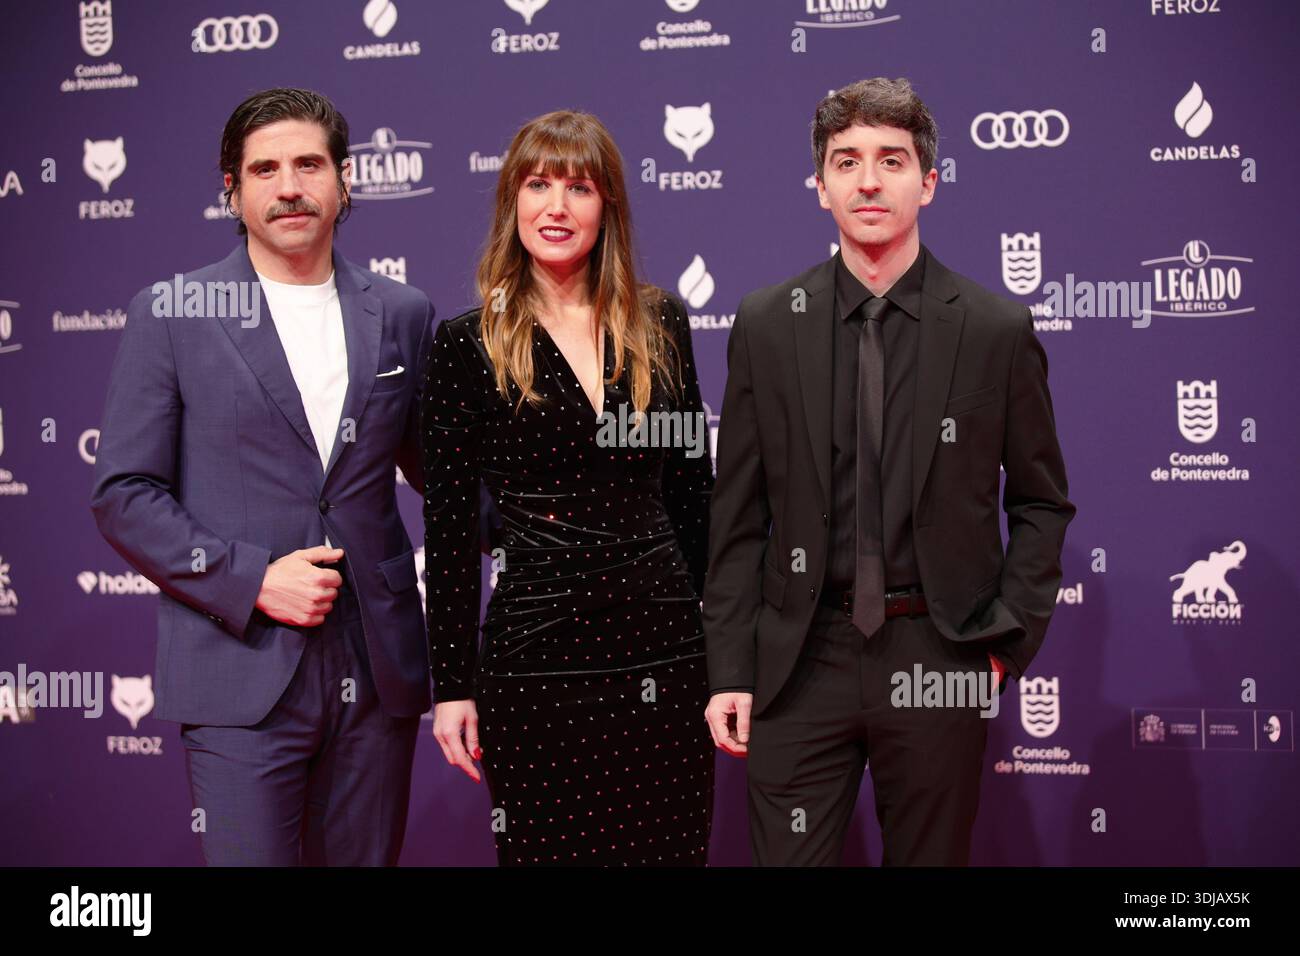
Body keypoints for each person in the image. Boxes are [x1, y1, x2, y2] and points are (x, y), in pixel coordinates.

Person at [702, 77, 1075, 866]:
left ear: (929, 182)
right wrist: (731, 667)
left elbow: (1042, 504)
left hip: (939, 656)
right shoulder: (768, 324)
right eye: (847, 161)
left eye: (892, 160)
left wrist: (1002, 647)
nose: (869, 180)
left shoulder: (995, 329)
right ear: (821, 186)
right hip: (799, 660)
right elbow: (735, 519)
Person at [90, 88, 433, 865]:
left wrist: (556, 512)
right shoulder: (173, 313)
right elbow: (123, 496)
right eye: (265, 169)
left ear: (344, 183)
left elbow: (438, 474)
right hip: (238, 661)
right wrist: (249, 580)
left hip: (376, 669)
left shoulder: (404, 312)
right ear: (232, 191)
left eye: (309, 164)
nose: (289, 186)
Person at [422, 110, 715, 866]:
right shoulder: (467, 344)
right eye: (538, 183)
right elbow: (451, 529)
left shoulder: (660, 324)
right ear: (511, 202)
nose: (556, 206)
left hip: (664, 650)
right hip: (537, 660)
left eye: (579, 187)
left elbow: (693, 498)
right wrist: (450, 685)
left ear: (607, 206)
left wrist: (727, 655)